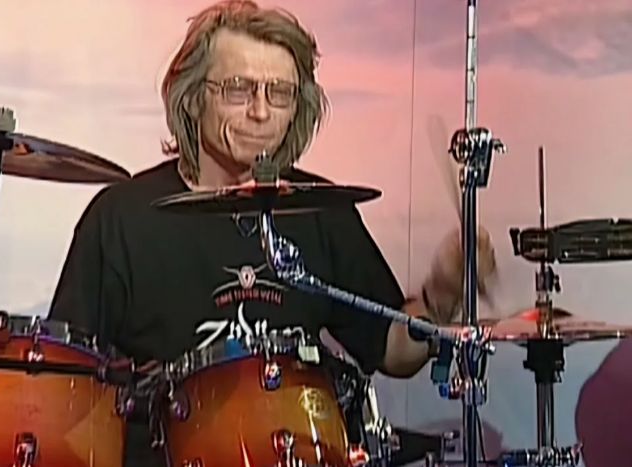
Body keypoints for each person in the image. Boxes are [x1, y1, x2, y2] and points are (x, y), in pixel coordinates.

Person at [49, 1, 493, 465]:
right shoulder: (120, 218)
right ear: (193, 96)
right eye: (238, 89)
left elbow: (393, 351)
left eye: (279, 93)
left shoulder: (321, 210)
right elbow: (68, 383)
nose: (260, 112)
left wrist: (441, 296)